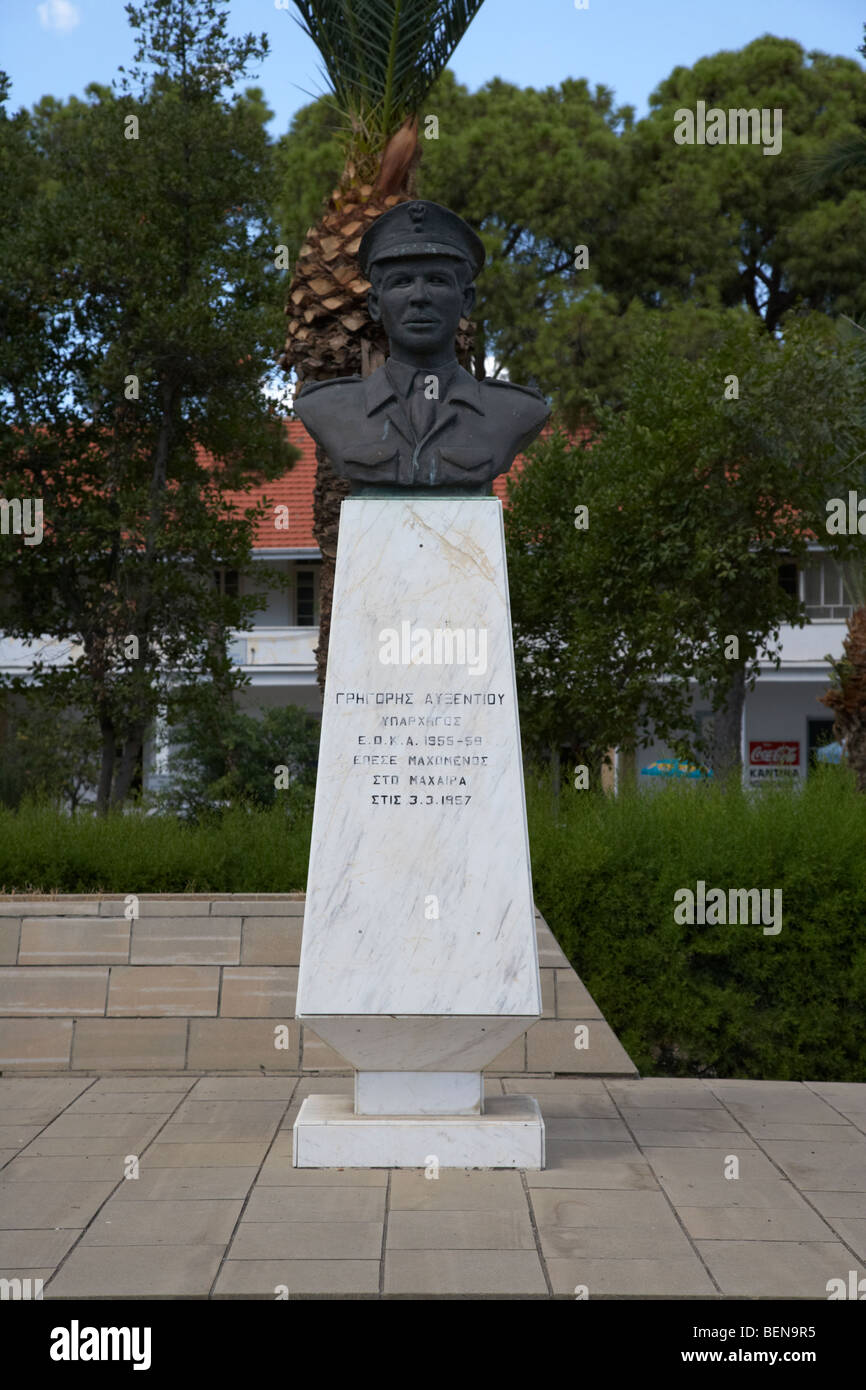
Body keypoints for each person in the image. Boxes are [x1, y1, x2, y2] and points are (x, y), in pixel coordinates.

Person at [293, 200, 550, 491]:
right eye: (401, 282)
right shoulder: (329, 407)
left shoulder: (514, 411)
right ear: (376, 305)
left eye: (437, 281)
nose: (419, 297)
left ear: (466, 301)